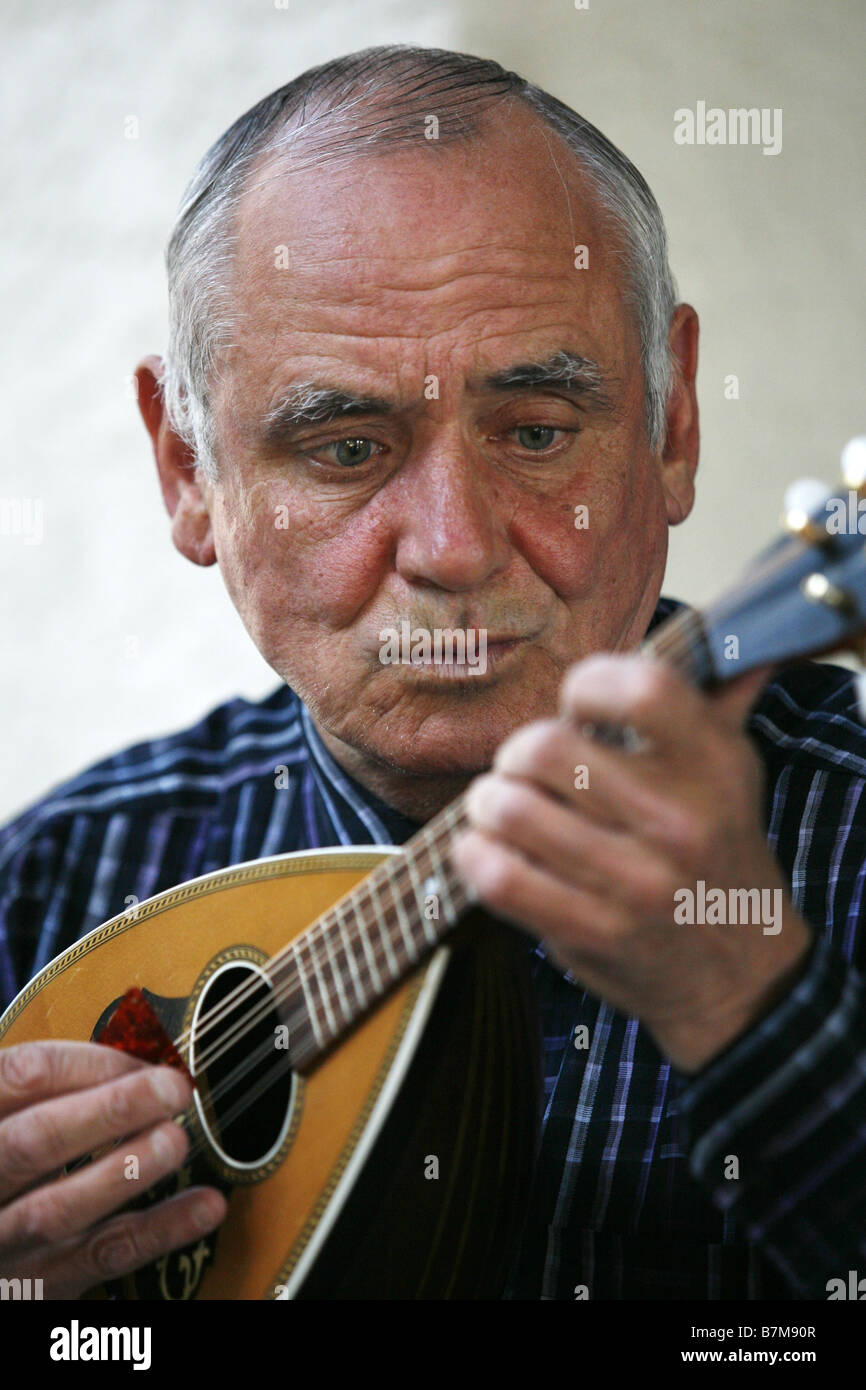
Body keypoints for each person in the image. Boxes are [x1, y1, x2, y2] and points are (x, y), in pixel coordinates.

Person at [1, 45, 863, 1301]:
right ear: (187, 471)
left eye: (534, 431)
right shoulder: (62, 890)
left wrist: (754, 1012)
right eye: (346, 447)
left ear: (671, 420)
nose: (453, 545)